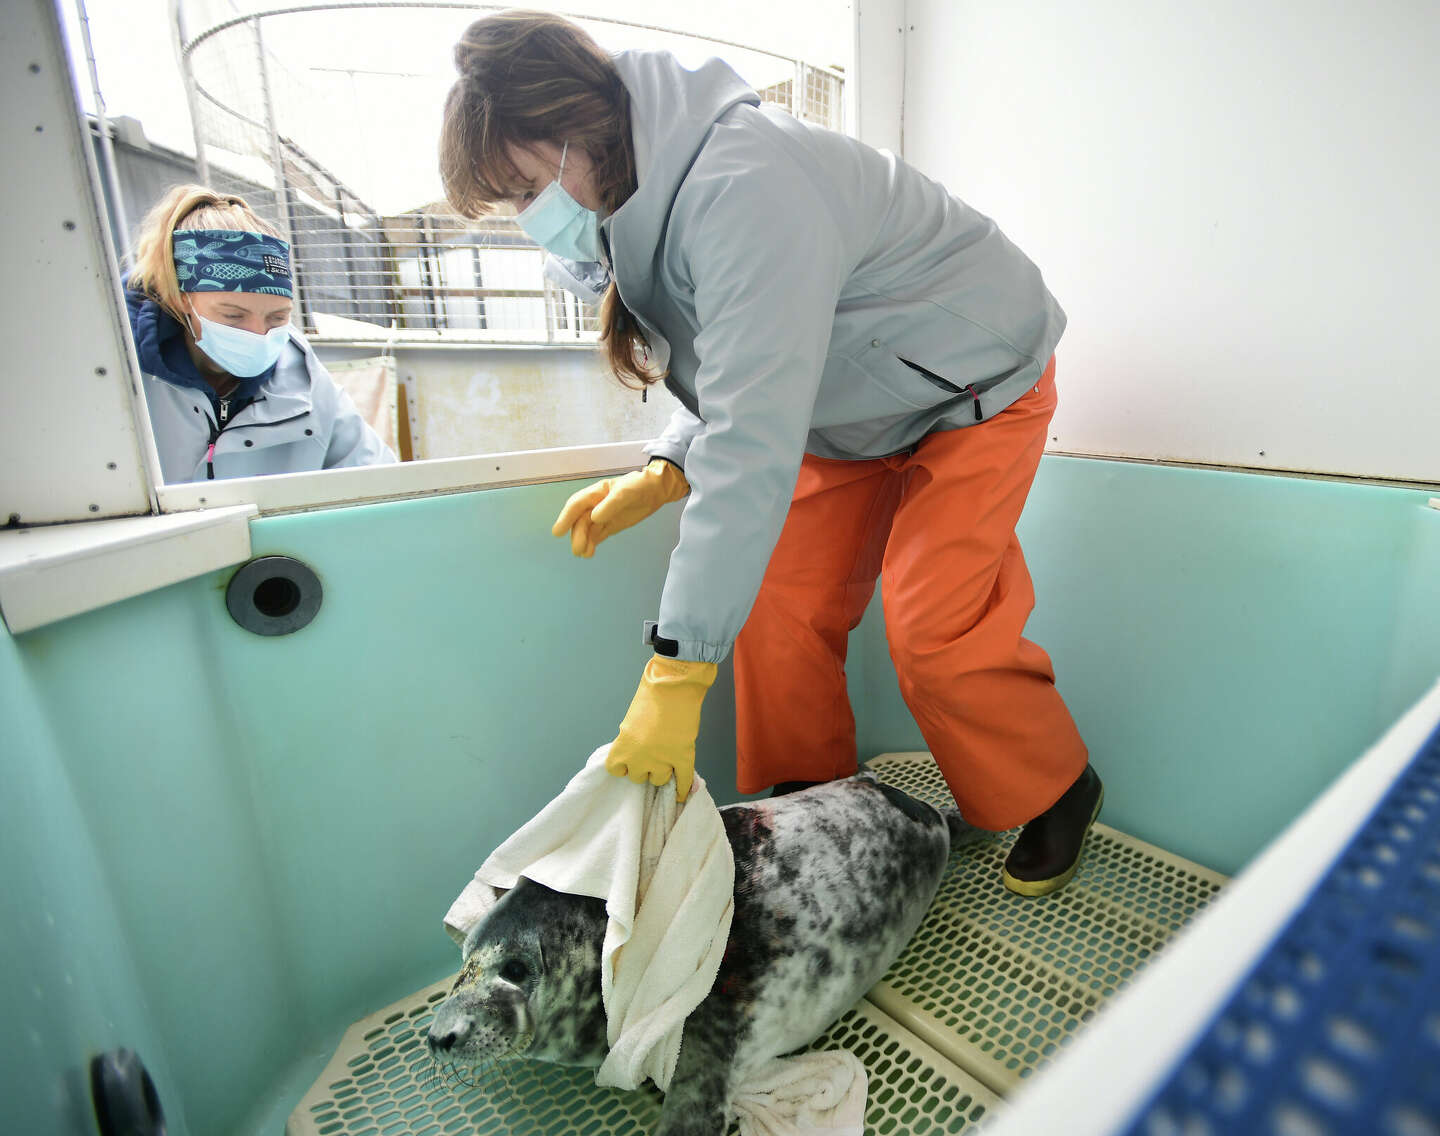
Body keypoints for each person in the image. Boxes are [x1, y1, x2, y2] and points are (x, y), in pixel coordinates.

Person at [440, 12, 1102, 897]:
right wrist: (667, 465)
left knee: (930, 622)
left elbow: (753, 430)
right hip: (847, 409)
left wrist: (675, 672)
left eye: (525, 188)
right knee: (779, 606)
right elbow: (732, 363)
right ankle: (817, 814)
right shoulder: (634, 196)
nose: (529, 219)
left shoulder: (747, 181)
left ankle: (1057, 785)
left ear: (577, 132)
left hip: (973, 389)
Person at [124, 185, 396, 482]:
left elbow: (376, 475)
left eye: (278, 317)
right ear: (179, 298)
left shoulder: (305, 379)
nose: (258, 334)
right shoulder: (121, 378)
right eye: (233, 315)